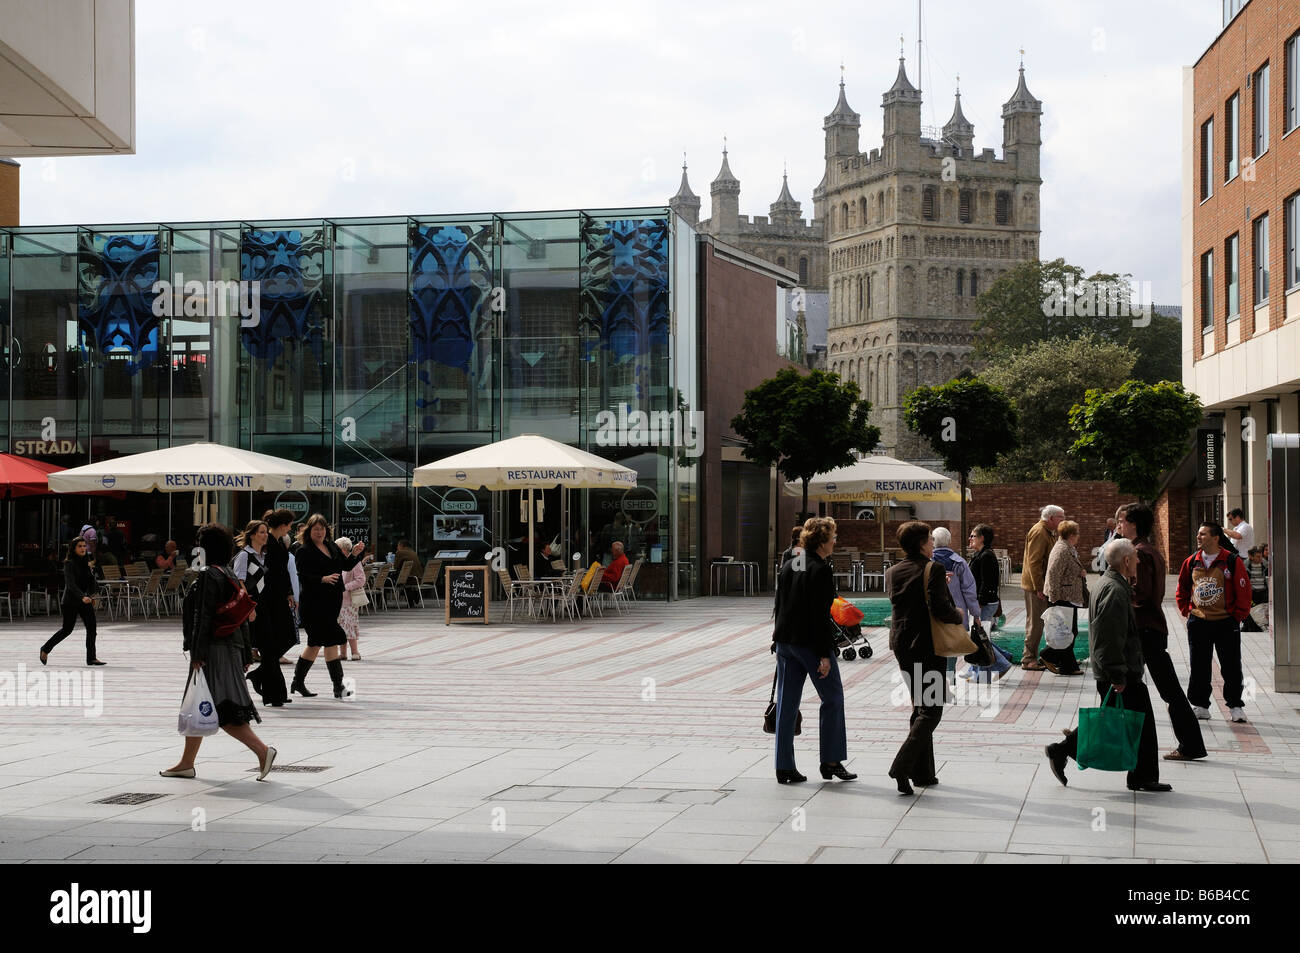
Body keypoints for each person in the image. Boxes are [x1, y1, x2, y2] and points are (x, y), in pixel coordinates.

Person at [1045, 538, 1170, 792]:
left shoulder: (1110, 583)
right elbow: (1108, 636)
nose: (1137, 561)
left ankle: (1063, 750)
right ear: (1126, 561)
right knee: (1138, 723)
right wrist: (1117, 674)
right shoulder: (1114, 589)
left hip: (1116, 669)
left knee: (1111, 718)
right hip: (1119, 670)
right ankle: (1142, 777)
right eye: (1135, 558)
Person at [160, 523, 276, 781]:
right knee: (200, 703)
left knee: (221, 707)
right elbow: (244, 616)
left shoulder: (208, 576)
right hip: (230, 647)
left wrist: (197, 654)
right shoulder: (228, 573)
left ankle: (262, 751)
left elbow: (204, 617)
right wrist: (245, 652)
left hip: (214, 650)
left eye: (198, 544)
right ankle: (186, 763)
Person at [1117, 503, 1206, 760]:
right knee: (1159, 689)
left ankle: (1190, 744)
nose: (1119, 526)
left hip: (1144, 630)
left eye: (1122, 521)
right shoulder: (1148, 550)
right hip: (1150, 628)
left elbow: (1140, 593)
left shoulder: (1139, 553)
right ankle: (1192, 744)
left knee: (1127, 685)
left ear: (1133, 524)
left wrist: (1118, 595)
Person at [771, 517, 854, 784]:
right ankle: (830, 760)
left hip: (786, 642)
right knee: (832, 699)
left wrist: (777, 638)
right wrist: (824, 654)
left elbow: (780, 604)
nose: (835, 541)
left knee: (787, 704)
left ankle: (784, 766)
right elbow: (820, 616)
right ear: (822, 540)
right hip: (809, 643)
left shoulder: (790, 564)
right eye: (833, 536)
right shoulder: (820, 569)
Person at [885, 521, 963, 795]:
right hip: (927, 645)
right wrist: (958, 615)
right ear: (920, 544)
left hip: (903, 645)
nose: (933, 543)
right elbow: (941, 610)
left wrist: (936, 584)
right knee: (931, 709)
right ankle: (901, 766)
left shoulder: (894, 571)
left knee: (920, 707)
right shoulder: (935, 569)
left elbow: (907, 600)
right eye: (929, 540)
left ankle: (923, 772)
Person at [1176, 521, 1251, 724]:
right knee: (1199, 665)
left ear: (1215, 537)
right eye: (1198, 534)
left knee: (1231, 666)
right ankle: (1200, 705)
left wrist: (1238, 616)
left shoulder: (1232, 561)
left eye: (1203, 534)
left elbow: (1244, 591)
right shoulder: (1191, 561)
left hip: (1226, 623)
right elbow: (1182, 589)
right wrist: (1187, 611)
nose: (1198, 537)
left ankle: (1235, 706)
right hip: (1199, 623)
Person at [292, 514, 365, 699]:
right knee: (331, 638)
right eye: (316, 529)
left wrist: (355, 553)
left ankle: (298, 682)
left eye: (322, 528)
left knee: (315, 644)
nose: (319, 532)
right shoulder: (304, 550)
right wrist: (322, 579)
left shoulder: (332, 546)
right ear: (309, 531)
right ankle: (337, 686)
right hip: (314, 603)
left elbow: (346, 566)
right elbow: (302, 576)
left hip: (331, 602)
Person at [233, 520, 290, 708]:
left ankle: (269, 688)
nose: (265, 535)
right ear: (252, 535)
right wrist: (249, 608)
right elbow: (239, 582)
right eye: (261, 532)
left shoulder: (264, 555)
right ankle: (275, 694)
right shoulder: (244, 556)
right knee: (268, 650)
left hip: (269, 607)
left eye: (266, 532)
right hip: (255, 609)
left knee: (272, 649)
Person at [39, 538, 104, 667]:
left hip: (84, 600)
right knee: (67, 629)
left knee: (92, 629)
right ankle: (45, 648)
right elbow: (70, 584)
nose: (83, 548)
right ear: (74, 548)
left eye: (84, 546)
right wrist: (82, 597)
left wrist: (91, 594)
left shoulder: (86, 563)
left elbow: (92, 582)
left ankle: (91, 658)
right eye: (80, 546)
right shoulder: (69, 563)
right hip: (71, 601)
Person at [964, 524, 1014, 680]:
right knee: (979, 636)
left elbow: (988, 583)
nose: (970, 539)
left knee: (980, 637)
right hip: (981, 602)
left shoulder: (987, 556)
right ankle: (981, 666)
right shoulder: (979, 554)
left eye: (972, 536)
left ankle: (1001, 664)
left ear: (982, 538)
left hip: (985, 604)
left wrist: (979, 602)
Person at [1041, 519, 1086, 676]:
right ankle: (1049, 655)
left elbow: (1067, 569)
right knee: (1067, 631)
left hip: (1067, 596)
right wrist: (1053, 597)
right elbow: (1053, 573)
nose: (1079, 536)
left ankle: (1067, 663)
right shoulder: (1062, 549)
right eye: (1077, 533)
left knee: (1069, 630)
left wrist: (1079, 572)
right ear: (1071, 535)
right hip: (1061, 597)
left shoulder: (1068, 548)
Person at [337, 537, 368, 661]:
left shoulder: (354, 562)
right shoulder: (338, 561)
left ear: (344, 550)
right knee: (340, 627)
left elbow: (361, 580)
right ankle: (343, 653)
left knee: (349, 625)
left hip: (349, 600)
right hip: (338, 600)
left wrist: (345, 587)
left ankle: (355, 652)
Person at [1242, 547, 1269, 632]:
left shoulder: (1265, 565)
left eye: (1261, 556)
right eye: (1258, 556)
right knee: (1249, 610)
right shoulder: (1245, 566)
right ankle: (1249, 626)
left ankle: (1259, 626)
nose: (1260, 558)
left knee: (1260, 610)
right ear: (1251, 557)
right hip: (1251, 593)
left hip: (1262, 593)